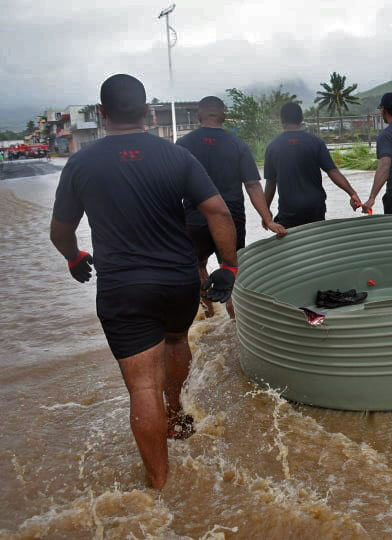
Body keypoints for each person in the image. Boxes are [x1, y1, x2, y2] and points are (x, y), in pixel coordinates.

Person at [49, 74, 238, 490]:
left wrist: (74, 258)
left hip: (123, 289)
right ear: (149, 112)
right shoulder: (176, 157)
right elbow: (219, 213)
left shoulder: (81, 163)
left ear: (101, 114)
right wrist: (228, 267)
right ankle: (176, 414)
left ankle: (160, 485)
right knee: (176, 342)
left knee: (141, 387)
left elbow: (60, 230)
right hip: (177, 282)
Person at [178, 96, 286, 319]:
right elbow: (253, 185)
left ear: (198, 115)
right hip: (231, 220)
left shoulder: (183, 145)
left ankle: (209, 317)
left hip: (195, 219)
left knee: (198, 266)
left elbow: (170, 188)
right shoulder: (237, 144)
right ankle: (236, 322)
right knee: (231, 268)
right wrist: (268, 219)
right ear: (224, 115)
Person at [264, 103, 362, 228]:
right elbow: (333, 172)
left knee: (293, 246)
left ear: (282, 119)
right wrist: (352, 193)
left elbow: (270, 184)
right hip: (315, 207)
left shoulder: (273, 147)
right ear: (301, 119)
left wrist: (265, 213)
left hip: (289, 209)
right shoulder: (316, 142)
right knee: (317, 245)